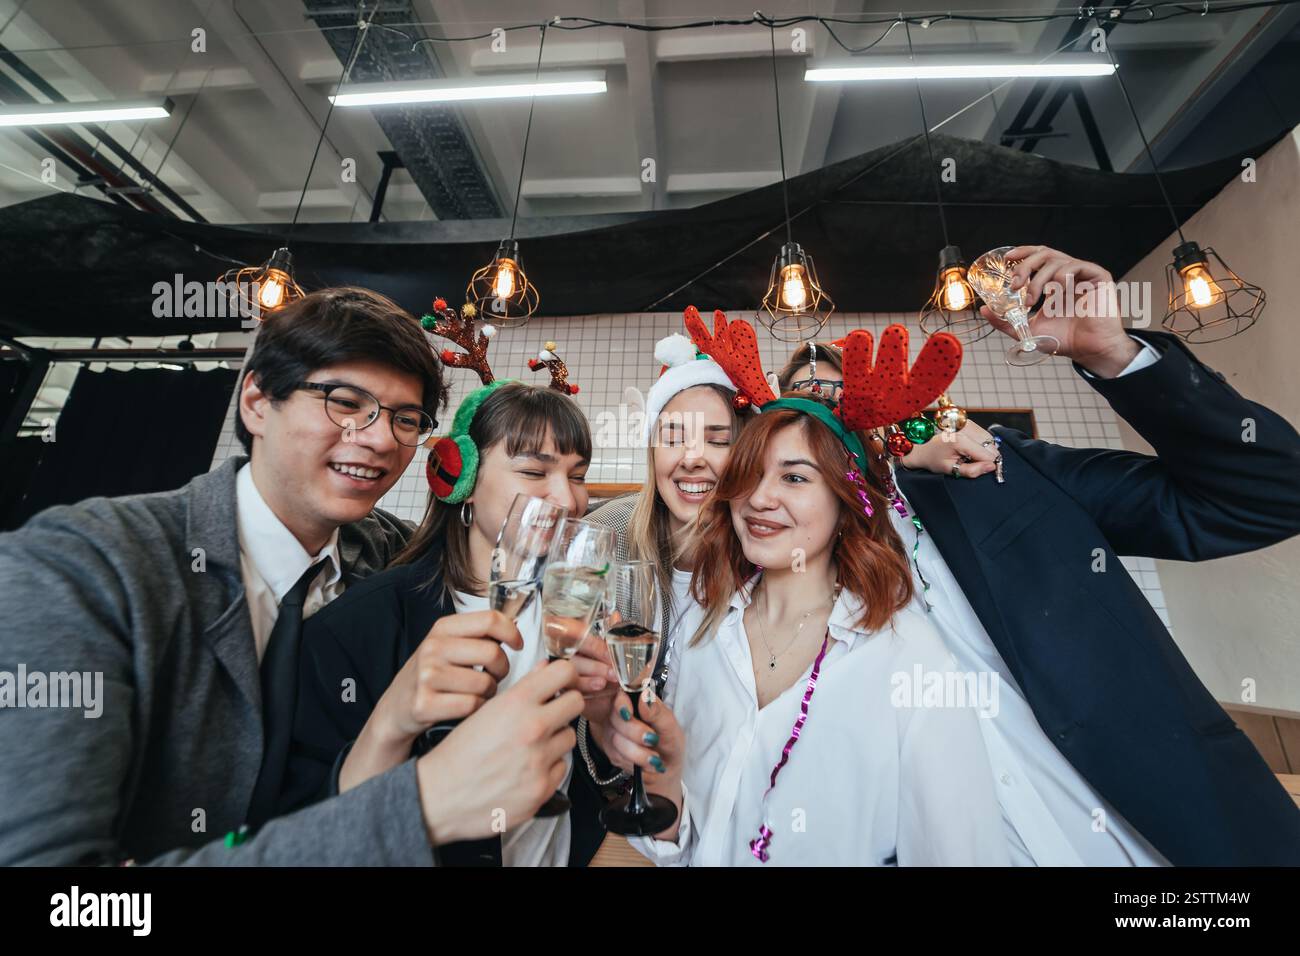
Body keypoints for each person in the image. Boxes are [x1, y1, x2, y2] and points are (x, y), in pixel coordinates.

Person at [612, 246, 1300, 866]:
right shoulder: (756, 605)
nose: (823, 413)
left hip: (1156, 840)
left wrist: (1110, 353)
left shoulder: (992, 473)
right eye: (793, 419)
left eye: (839, 395)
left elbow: (1268, 495)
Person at [0, 287, 579, 865]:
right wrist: (419, 806)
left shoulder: (392, 560)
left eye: (406, 418)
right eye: (345, 402)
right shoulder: (83, 572)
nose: (379, 439)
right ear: (256, 400)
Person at [597, 342, 1012, 865]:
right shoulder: (704, 631)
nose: (760, 497)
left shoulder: (910, 661)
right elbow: (685, 846)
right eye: (750, 474)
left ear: (845, 499)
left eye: (794, 477)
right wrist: (666, 780)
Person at [282, 379, 606, 866]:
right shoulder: (356, 627)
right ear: (463, 480)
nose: (566, 498)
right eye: (534, 471)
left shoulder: (578, 613)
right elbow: (311, 825)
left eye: (577, 475)